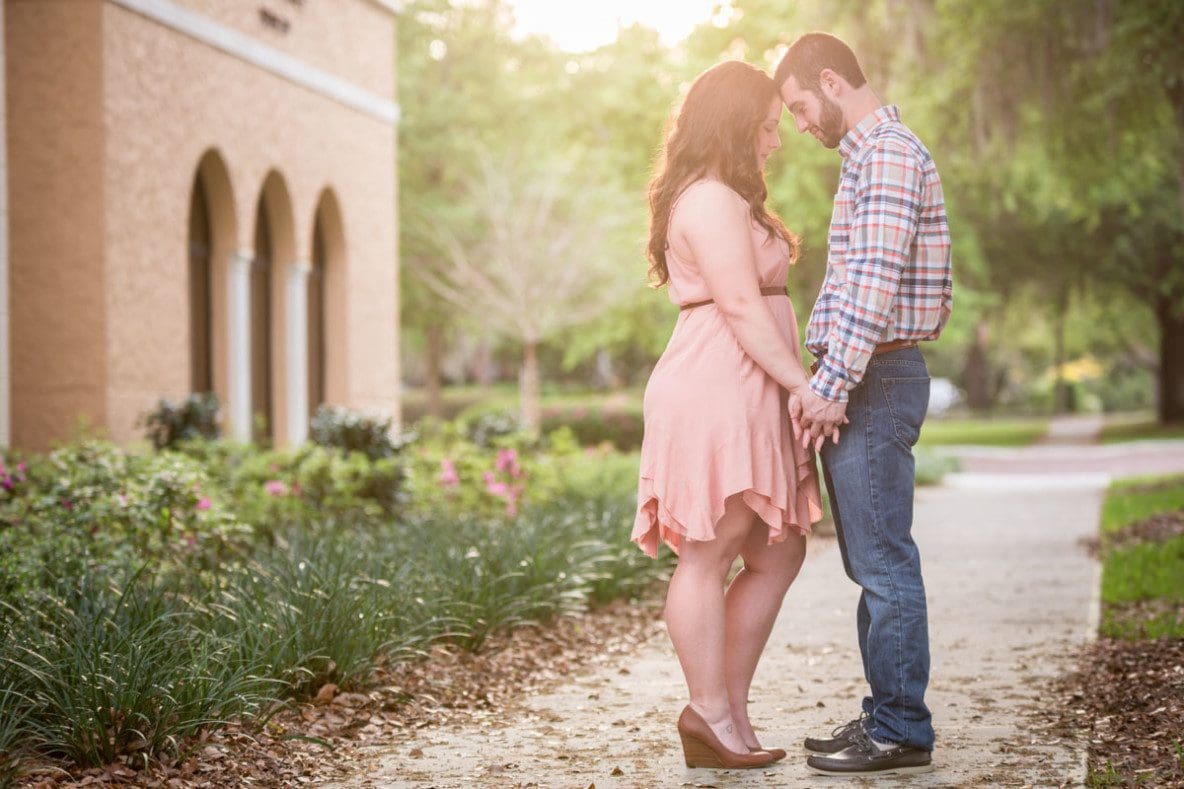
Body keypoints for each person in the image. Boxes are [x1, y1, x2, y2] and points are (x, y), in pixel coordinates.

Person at [631, 60, 834, 770]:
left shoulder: (728, 197)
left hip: (746, 385)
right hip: (719, 383)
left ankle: (727, 708)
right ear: (735, 122)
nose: (776, 141)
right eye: (768, 126)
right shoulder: (709, 199)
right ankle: (708, 708)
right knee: (709, 550)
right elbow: (742, 305)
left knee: (778, 549)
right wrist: (801, 386)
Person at [774, 32, 953, 776]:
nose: (798, 124)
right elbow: (856, 284)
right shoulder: (870, 158)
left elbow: (873, 288)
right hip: (869, 377)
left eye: (798, 106)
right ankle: (885, 712)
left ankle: (902, 728)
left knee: (883, 564)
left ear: (828, 80)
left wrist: (829, 385)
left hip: (875, 379)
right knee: (870, 562)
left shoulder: (886, 155)